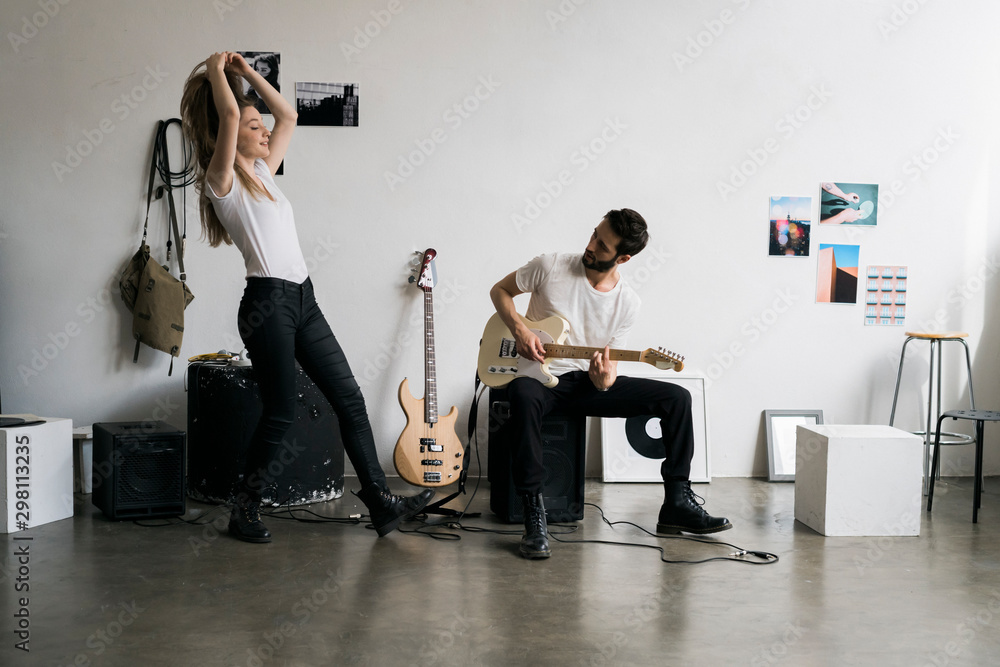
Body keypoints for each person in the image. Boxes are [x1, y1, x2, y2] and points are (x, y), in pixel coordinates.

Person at [180, 52, 432, 543]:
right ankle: (244, 508)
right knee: (281, 411)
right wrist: (216, 71)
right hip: (267, 304)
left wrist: (251, 74)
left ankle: (380, 503)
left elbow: (290, 115)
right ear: (233, 135)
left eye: (260, 125)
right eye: (256, 127)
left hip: (303, 299)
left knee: (350, 399)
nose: (265, 131)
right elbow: (228, 114)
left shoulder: (264, 174)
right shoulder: (223, 182)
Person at [489, 209, 731, 559]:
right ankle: (533, 513)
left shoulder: (627, 302)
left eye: (602, 245)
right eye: (593, 235)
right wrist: (520, 329)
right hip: (540, 379)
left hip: (586, 384)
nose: (590, 246)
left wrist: (605, 381)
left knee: (677, 397)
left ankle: (677, 502)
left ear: (624, 257)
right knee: (522, 393)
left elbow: (609, 365)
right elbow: (500, 291)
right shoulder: (550, 265)